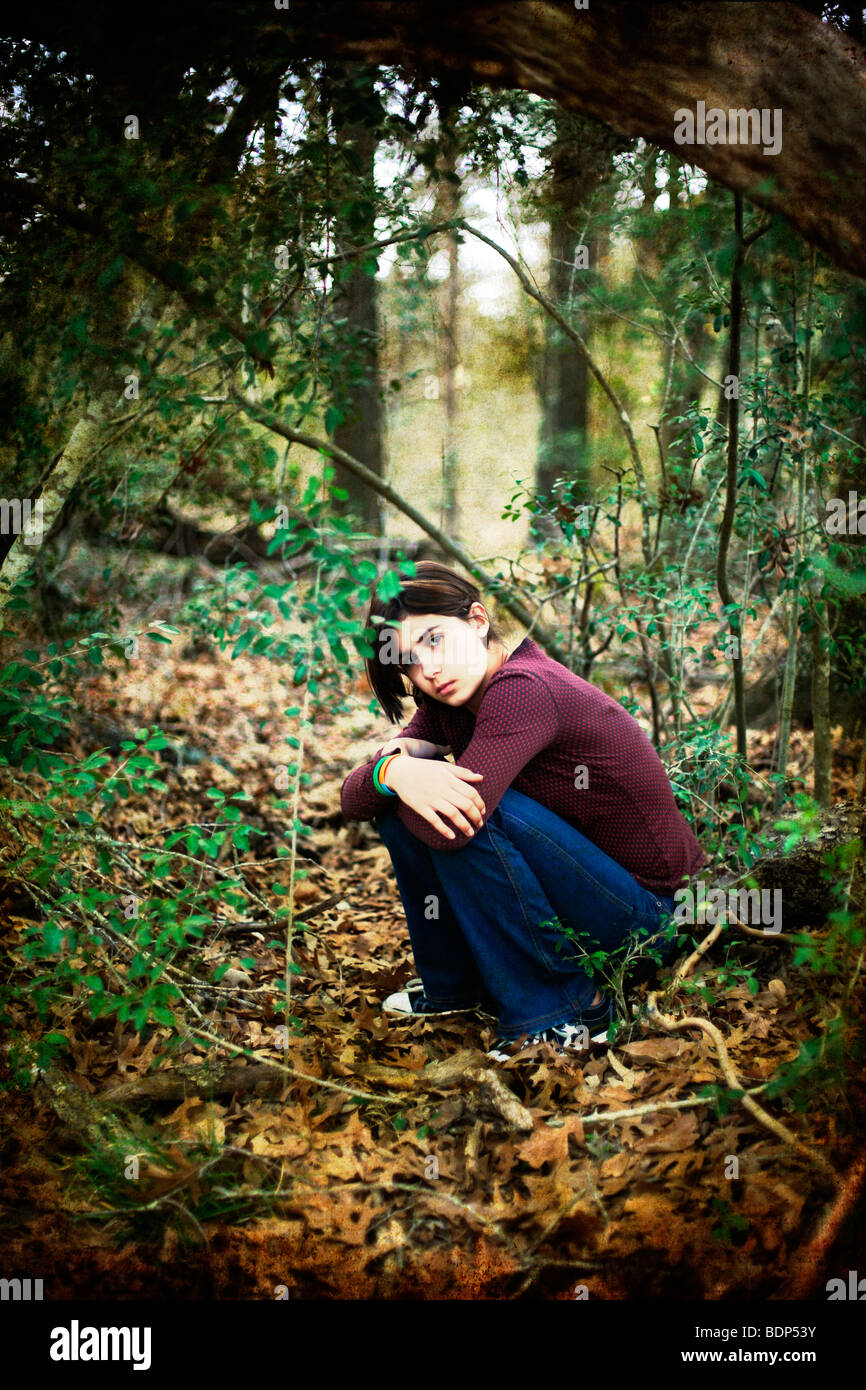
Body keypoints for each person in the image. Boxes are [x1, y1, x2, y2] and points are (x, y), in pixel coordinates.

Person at [339, 561, 706, 1060]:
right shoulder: (449, 703)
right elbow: (354, 797)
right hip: (593, 900)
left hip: (653, 920)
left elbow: (451, 831)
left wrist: (406, 778)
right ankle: (456, 987)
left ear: (477, 619)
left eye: (434, 640)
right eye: (407, 661)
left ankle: (567, 1010)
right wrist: (393, 774)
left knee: (463, 811)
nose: (429, 671)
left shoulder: (524, 688)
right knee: (411, 797)